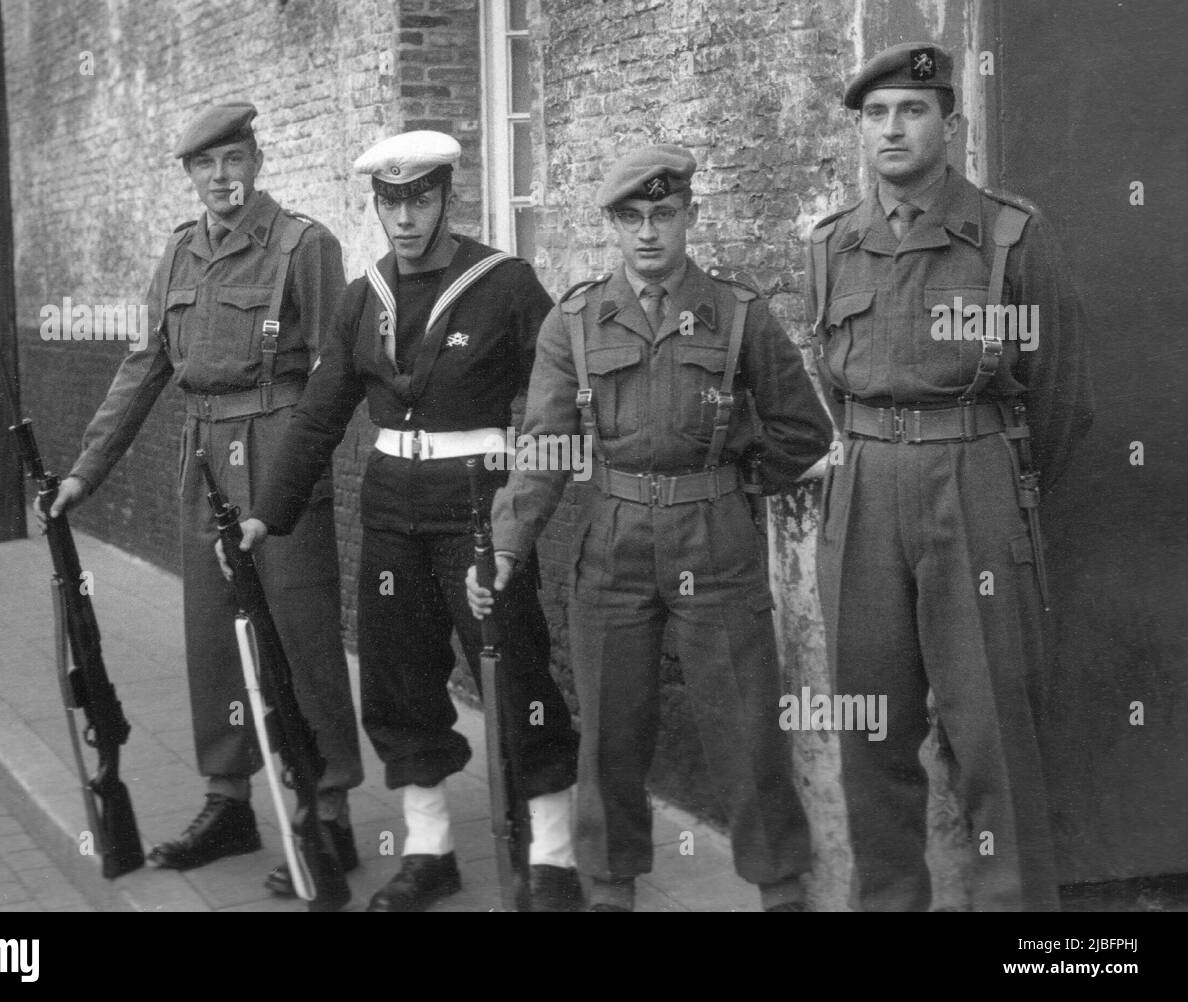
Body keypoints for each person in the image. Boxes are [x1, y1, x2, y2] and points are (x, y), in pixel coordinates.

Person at [468, 144, 832, 912]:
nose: (647, 233)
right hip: (615, 536)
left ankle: (780, 890)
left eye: (663, 215)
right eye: (631, 217)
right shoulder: (573, 321)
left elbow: (803, 432)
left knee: (746, 727)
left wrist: (733, 482)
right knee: (609, 731)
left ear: (690, 216)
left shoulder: (738, 314)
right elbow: (542, 450)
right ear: (611, 224)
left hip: (717, 537)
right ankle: (608, 889)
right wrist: (507, 545)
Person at [232, 130, 582, 912]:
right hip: (390, 509)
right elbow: (319, 420)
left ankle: (553, 855)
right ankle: (429, 852)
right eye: (389, 200)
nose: (405, 215)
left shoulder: (507, 285)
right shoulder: (363, 299)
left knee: (518, 672)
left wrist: (529, 500)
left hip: (477, 511)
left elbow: (560, 400)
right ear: (376, 205)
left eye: (419, 196)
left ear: (446, 196)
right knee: (396, 680)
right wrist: (266, 517)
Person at [41, 102, 362, 906]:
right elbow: (144, 363)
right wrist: (86, 471)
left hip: (280, 448)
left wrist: (297, 473)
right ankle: (229, 803)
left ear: (256, 158)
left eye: (233, 161)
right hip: (205, 456)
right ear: (190, 175)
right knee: (214, 639)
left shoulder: (304, 246)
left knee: (301, 635)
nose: (221, 179)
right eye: (204, 167)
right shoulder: (180, 253)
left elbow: (335, 373)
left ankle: (329, 813)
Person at [807, 43, 1094, 911]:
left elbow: (1062, 401)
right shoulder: (831, 244)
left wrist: (997, 488)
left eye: (913, 110)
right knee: (870, 729)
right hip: (862, 493)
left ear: (951, 123)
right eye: (876, 114)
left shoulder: (1011, 237)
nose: (892, 129)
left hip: (976, 489)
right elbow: (830, 374)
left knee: (993, 735)